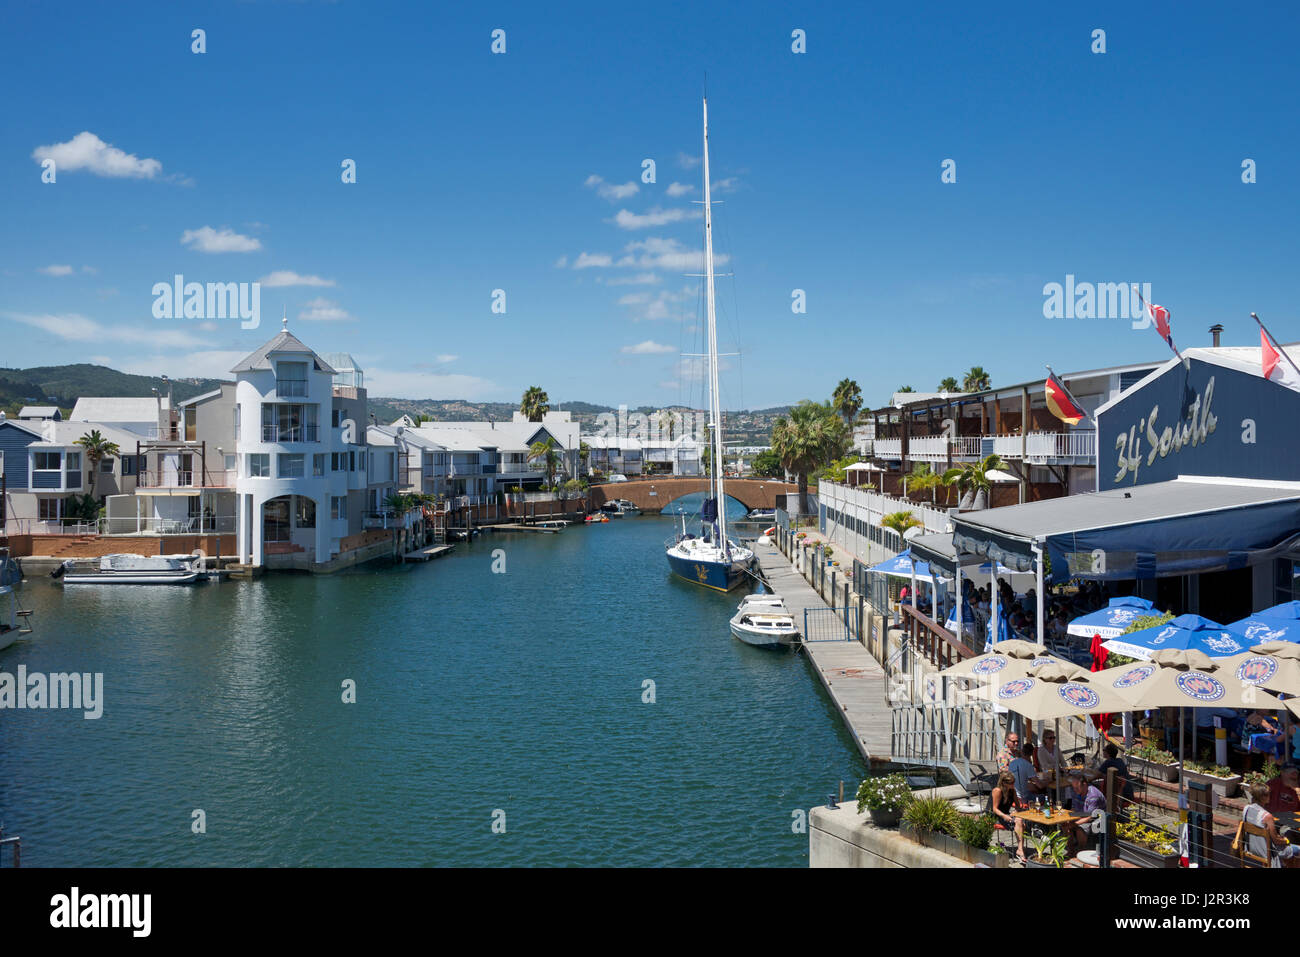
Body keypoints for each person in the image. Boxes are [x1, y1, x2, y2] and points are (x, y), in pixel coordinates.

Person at [1242, 782, 1300, 867]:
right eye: (1269, 794)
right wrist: (1286, 840)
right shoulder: (1267, 816)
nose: (1271, 796)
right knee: (1296, 848)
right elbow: (1276, 841)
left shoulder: (1246, 809)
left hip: (1251, 848)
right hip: (1267, 851)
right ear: (1263, 797)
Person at [1063, 770, 1105, 855]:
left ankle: (1081, 850)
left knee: (1080, 828)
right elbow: (1074, 809)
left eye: (1077, 788)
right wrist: (1068, 819)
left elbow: (1090, 817)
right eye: (1074, 787)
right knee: (1065, 824)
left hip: (1097, 819)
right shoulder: (1076, 791)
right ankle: (1070, 850)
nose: (1075, 790)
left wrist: (1075, 824)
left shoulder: (1093, 796)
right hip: (1082, 815)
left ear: (1085, 784)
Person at [990, 771, 1027, 861]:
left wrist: (1016, 810)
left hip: (1006, 815)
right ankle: (1020, 851)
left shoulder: (1012, 791)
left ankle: (1020, 850)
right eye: (1011, 783)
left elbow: (1018, 806)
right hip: (995, 816)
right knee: (1020, 823)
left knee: (1021, 822)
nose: (1013, 784)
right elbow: (994, 809)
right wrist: (1004, 816)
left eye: (1014, 782)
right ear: (1004, 783)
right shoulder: (998, 791)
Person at [1097, 743, 1135, 809]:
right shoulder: (1120, 760)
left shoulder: (1108, 762)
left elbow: (1097, 774)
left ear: (1107, 753)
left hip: (1120, 796)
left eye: (1104, 750)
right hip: (1128, 794)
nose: (1103, 751)